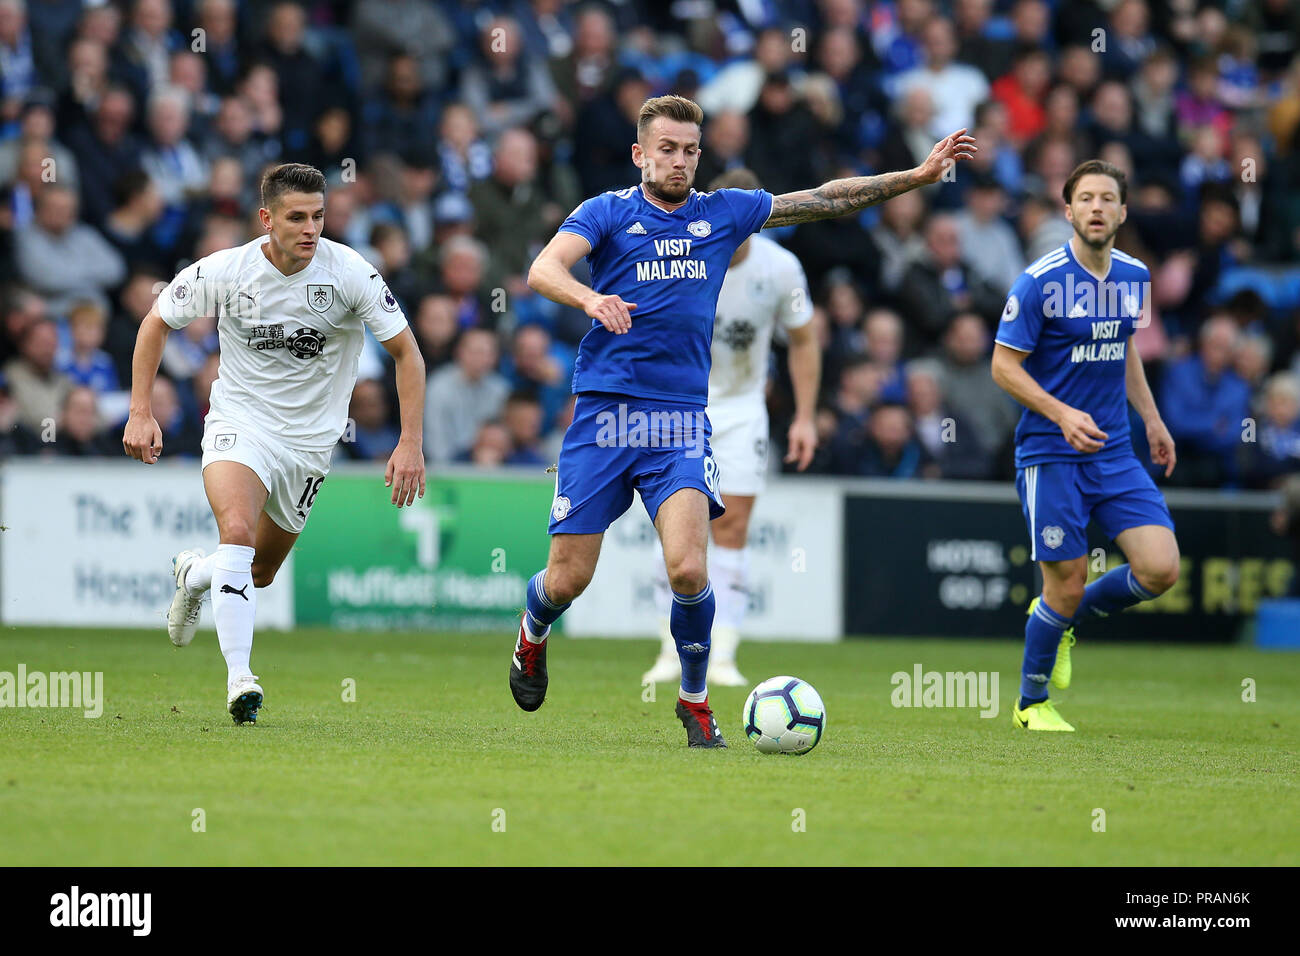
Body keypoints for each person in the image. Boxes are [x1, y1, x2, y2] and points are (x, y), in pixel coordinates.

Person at [515, 93, 975, 747]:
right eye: (667, 149)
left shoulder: (723, 214)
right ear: (641, 153)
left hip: (680, 420)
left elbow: (824, 199)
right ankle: (532, 634)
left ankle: (696, 700)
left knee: (689, 570)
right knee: (568, 578)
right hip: (605, 416)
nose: (679, 161)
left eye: (690, 150)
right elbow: (541, 269)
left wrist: (916, 176)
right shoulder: (608, 213)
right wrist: (591, 298)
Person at [122, 163, 426, 725]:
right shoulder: (227, 271)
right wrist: (141, 411)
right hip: (240, 424)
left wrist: (410, 442)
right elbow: (154, 322)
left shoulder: (351, 273)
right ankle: (241, 679)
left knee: (257, 571)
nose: (310, 228)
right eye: (296, 217)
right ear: (266, 219)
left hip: (309, 446)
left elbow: (408, 353)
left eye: (318, 216)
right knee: (235, 531)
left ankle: (195, 575)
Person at [991, 159, 1182, 733]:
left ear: (1123, 212)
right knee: (1065, 580)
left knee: (1160, 569)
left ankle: (1063, 619)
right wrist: (1061, 412)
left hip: (1115, 451)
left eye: (1108, 199)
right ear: (1067, 210)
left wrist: (1151, 420)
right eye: (1086, 199)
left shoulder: (1135, 277)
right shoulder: (1039, 281)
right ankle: (1031, 703)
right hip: (1051, 453)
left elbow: (1124, 350)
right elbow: (1003, 367)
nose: (1097, 208)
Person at [642, 167, 820, 688]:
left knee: (732, 529)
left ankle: (723, 654)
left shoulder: (781, 269)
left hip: (742, 408)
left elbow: (804, 339)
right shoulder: (678, 255)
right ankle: (668, 651)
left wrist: (805, 416)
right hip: (678, 406)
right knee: (673, 531)